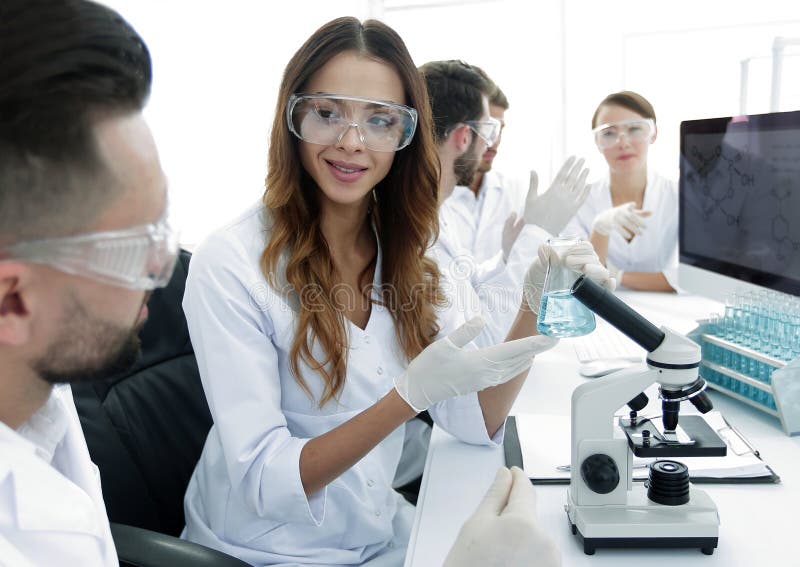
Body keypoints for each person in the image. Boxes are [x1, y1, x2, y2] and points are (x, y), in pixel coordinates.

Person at [181, 18, 610, 565]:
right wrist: (406, 399)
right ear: (293, 117)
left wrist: (535, 304)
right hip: (265, 550)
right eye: (327, 113)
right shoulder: (234, 261)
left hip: (376, 529)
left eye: (380, 120)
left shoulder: (414, 244)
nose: (352, 142)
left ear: (406, 134)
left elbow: (475, 421)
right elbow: (265, 481)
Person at [0, 1, 177, 565]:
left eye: (163, 229)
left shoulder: (37, 390)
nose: (161, 273)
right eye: (136, 250)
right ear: (12, 299)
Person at [420, 61, 592, 347]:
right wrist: (536, 233)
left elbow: (467, 286)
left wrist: (506, 257)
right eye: (489, 130)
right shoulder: (417, 227)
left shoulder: (433, 212)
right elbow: (485, 343)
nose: (493, 143)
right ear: (464, 136)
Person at [564, 91, 679, 292]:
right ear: (597, 142)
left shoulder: (678, 196)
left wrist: (618, 275)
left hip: (665, 311)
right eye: (609, 133)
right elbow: (582, 278)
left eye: (635, 129)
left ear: (653, 133)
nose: (623, 142)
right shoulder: (578, 201)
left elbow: (691, 279)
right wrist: (600, 230)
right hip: (600, 312)